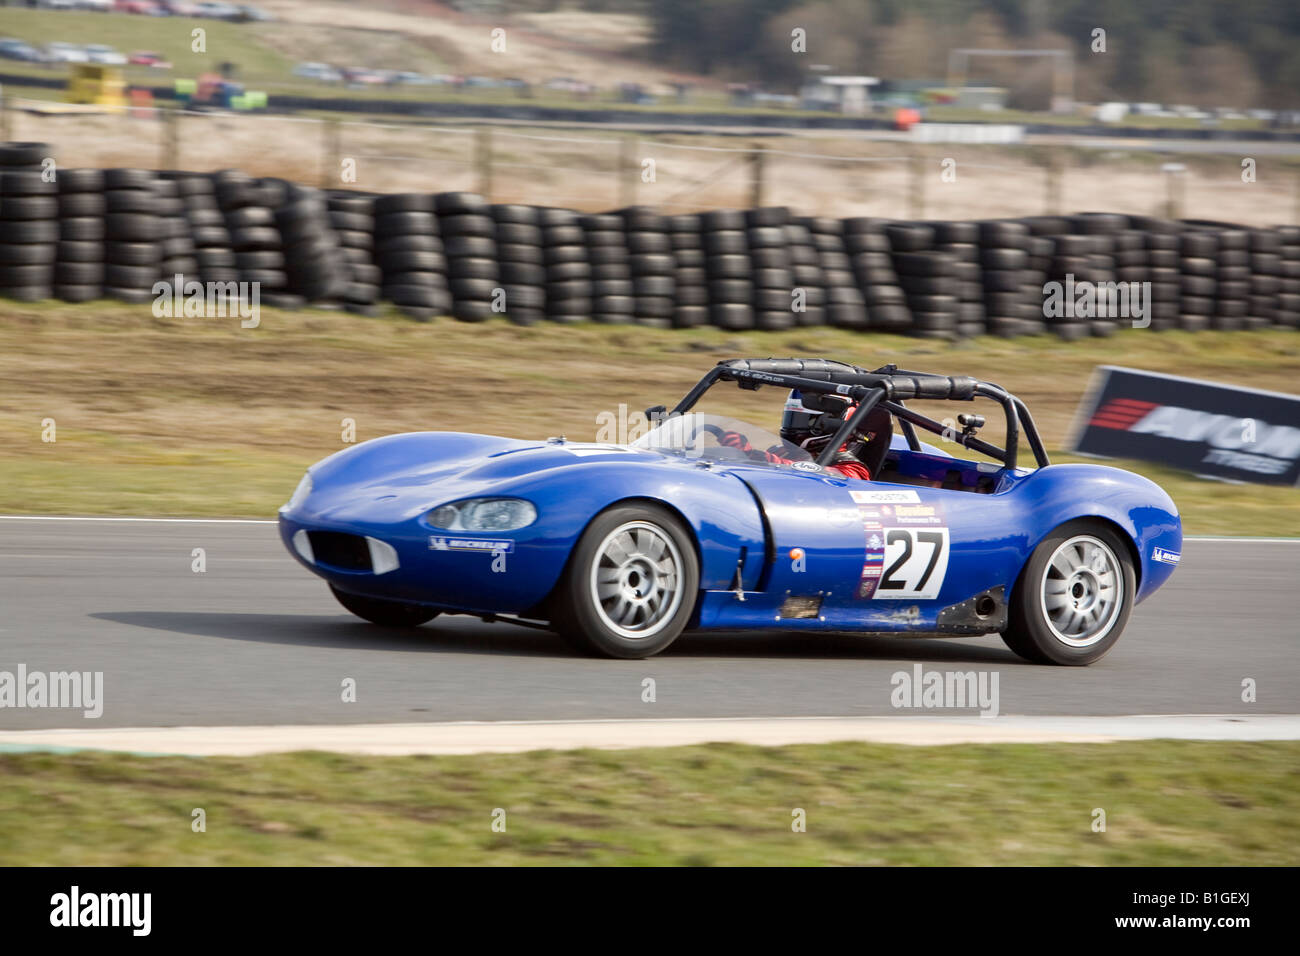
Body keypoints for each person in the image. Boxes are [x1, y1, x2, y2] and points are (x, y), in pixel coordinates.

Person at [716, 389, 873, 480]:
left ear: (830, 425)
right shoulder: (781, 451)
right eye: (792, 419)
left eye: (803, 420)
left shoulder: (853, 470)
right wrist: (742, 452)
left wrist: (761, 457)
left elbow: (818, 476)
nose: (793, 427)